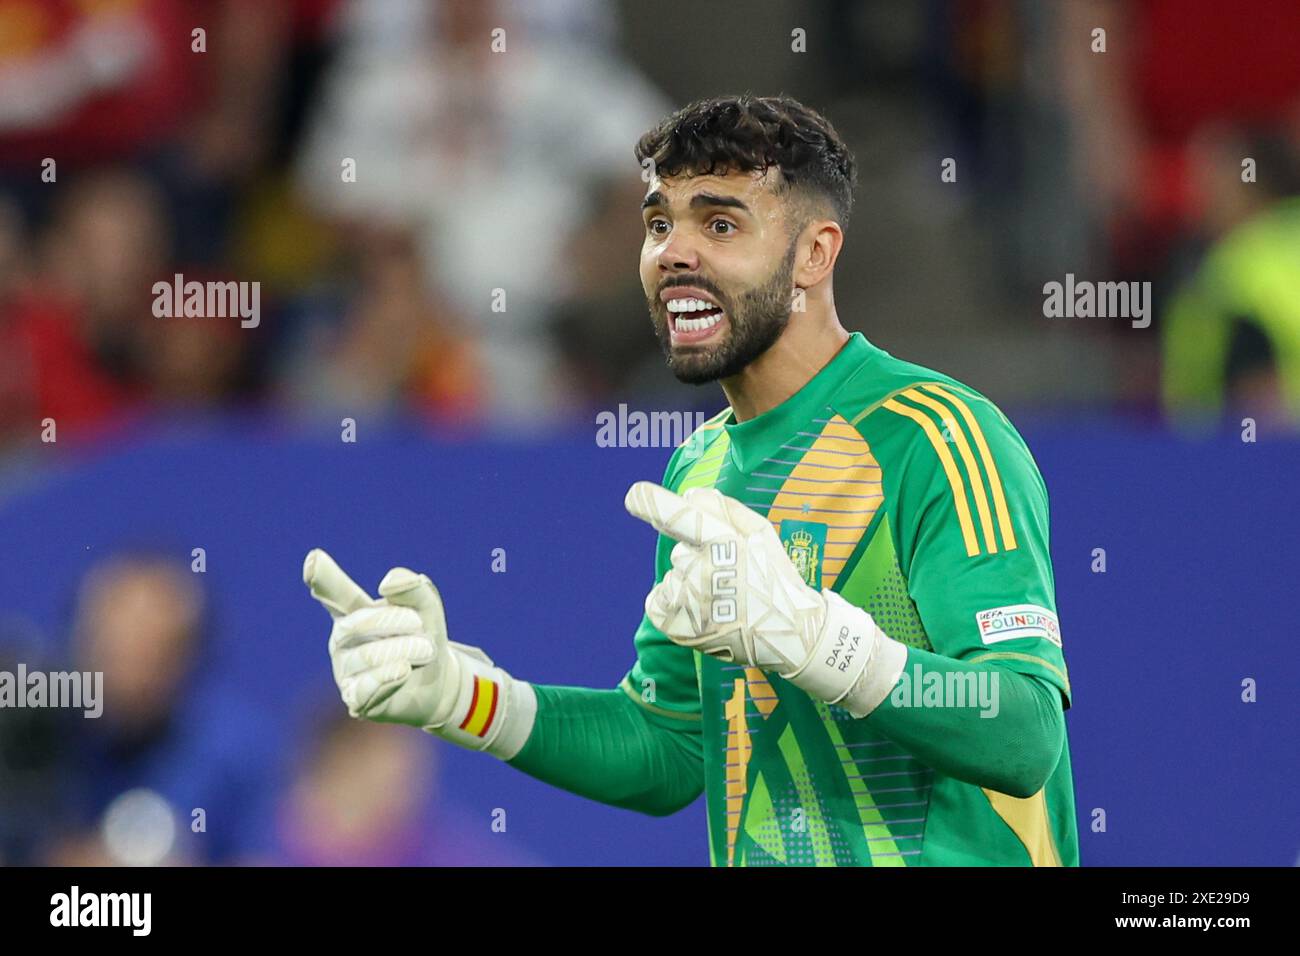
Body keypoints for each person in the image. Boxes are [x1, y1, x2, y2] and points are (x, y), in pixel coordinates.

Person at [304, 94, 1078, 867]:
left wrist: (824, 645)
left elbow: (1022, 729)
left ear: (815, 253)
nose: (673, 253)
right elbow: (669, 742)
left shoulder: (938, 437)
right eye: (659, 223)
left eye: (720, 224)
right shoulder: (697, 468)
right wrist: (463, 697)